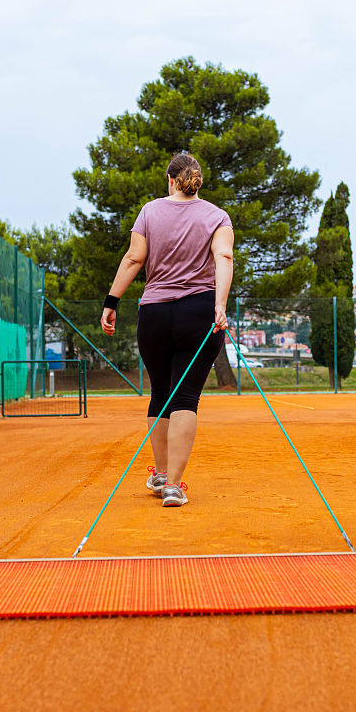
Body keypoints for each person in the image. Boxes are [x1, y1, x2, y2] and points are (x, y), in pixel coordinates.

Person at [100, 152, 234, 507]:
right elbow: (224, 258)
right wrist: (219, 304)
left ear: (169, 178)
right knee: (186, 397)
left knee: (160, 393)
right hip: (199, 313)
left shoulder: (149, 211)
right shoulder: (217, 216)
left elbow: (133, 259)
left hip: (154, 313)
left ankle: (160, 475)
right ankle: (173, 486)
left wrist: (111, 302)